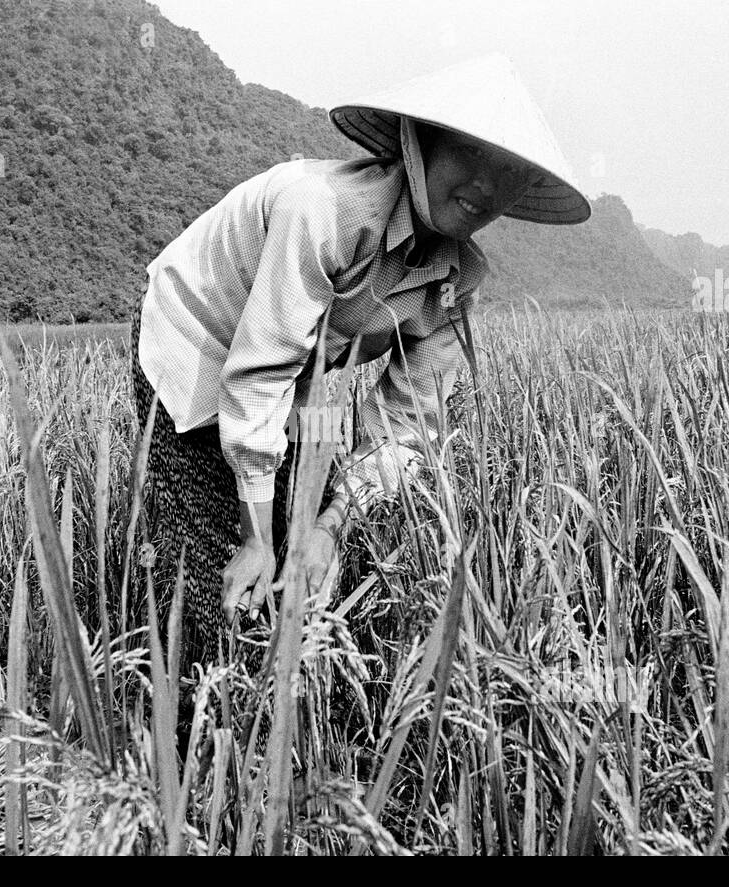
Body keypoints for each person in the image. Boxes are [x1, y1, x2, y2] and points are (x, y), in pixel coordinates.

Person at [131, 52, 590, 680]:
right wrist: (258, 538)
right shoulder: (322, 209)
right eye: (469, 155)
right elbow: (259, 370)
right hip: (193, 335)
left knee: (305, 522)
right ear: (419, 144)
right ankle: (191, 725)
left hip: (299, 377)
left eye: (507, 171)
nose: (486, 185)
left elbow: (408, 421)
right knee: (221, 556)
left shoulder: (457, 278)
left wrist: (330, 523)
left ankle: (284, 689)